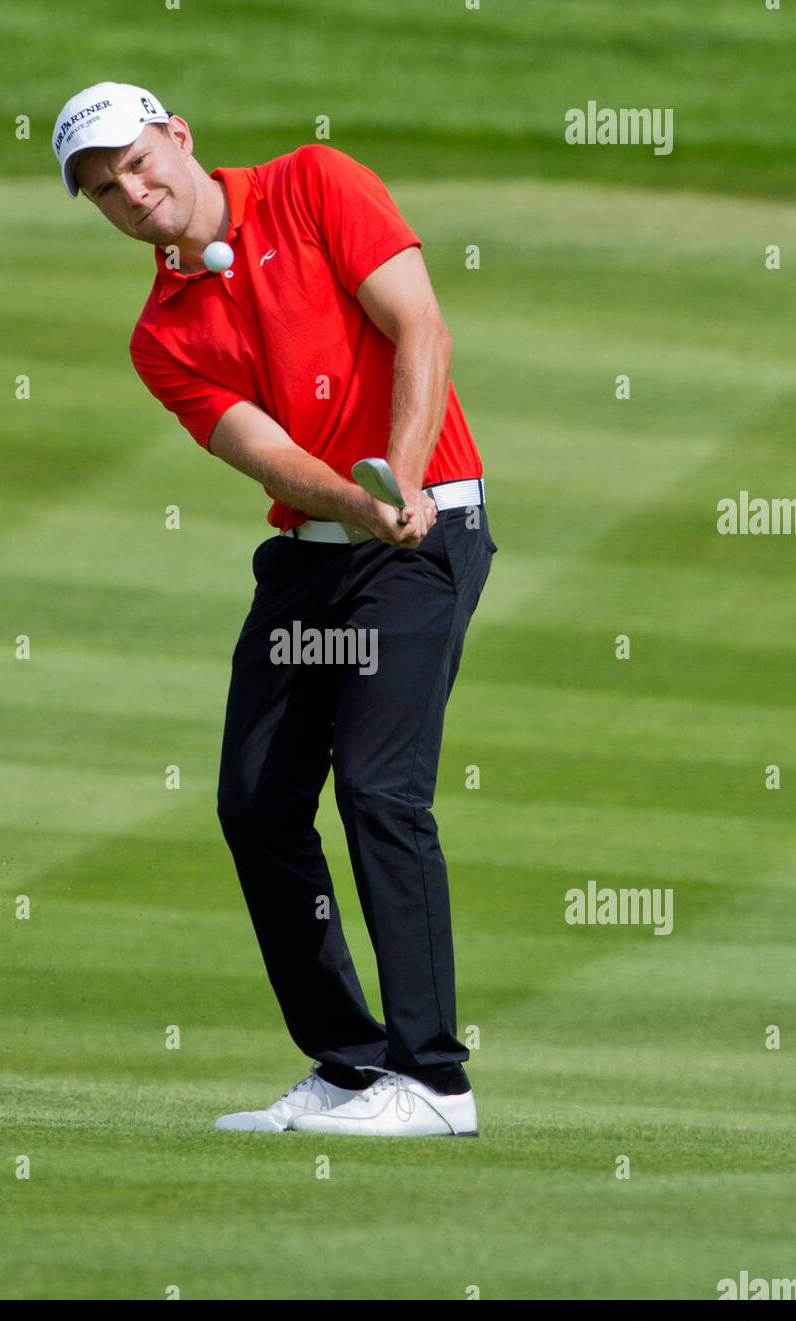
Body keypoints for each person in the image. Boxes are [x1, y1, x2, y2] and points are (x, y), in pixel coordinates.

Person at [52, 81, 498, 1137]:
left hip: (426, 536)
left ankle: (433, 1082)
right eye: (104, 189)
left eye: (137, 160)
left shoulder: (313, 184)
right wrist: (354, 500)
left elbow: (420, 328)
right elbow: (265, 454)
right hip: (312, 557)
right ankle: (348, 1064)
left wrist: (398, 479)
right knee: (255, 802)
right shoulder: (162, 332)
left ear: (178, 136)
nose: (132, 190)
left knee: (381, 790)